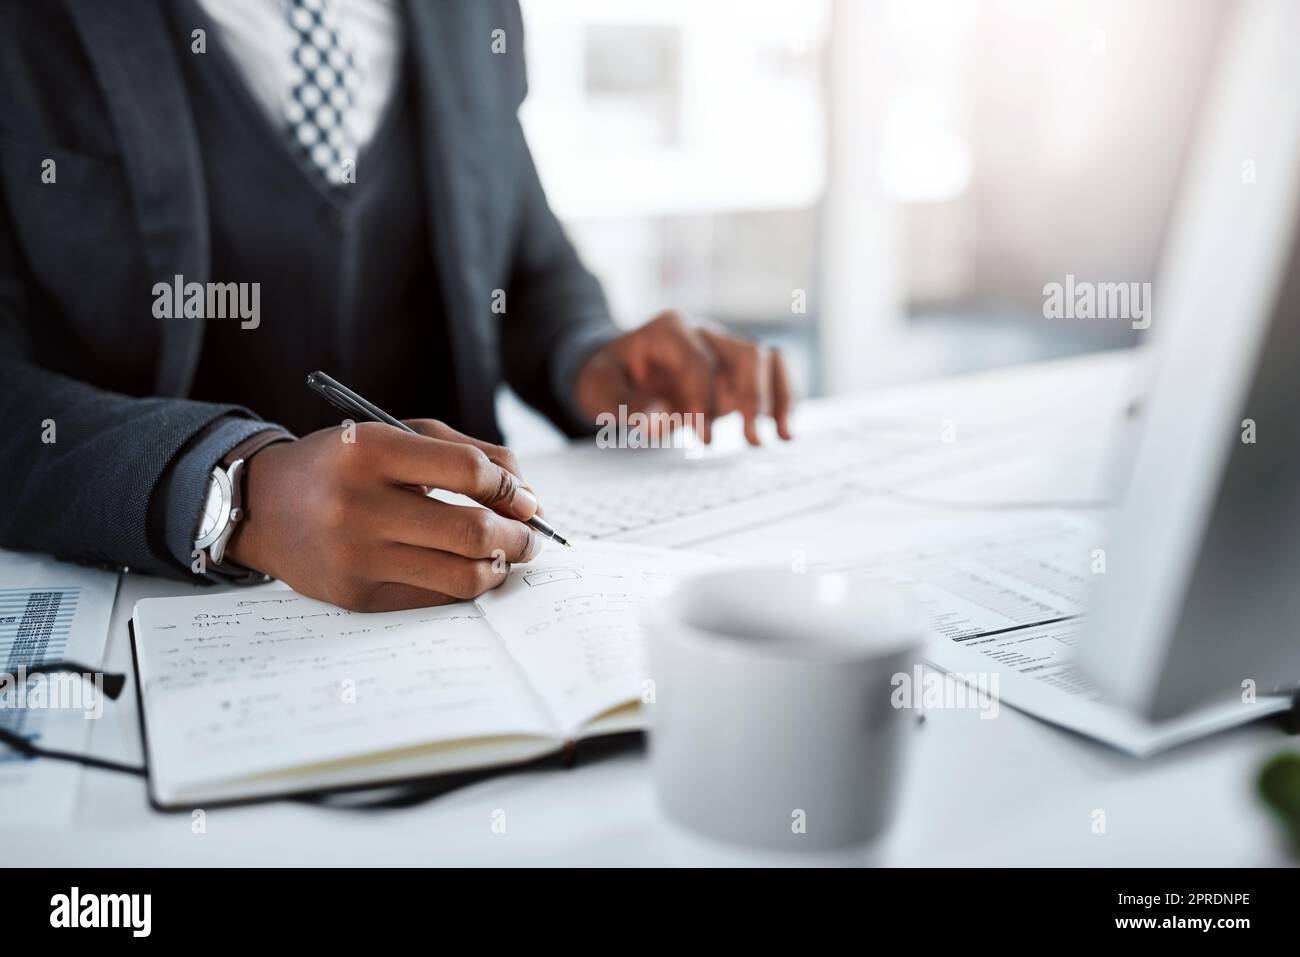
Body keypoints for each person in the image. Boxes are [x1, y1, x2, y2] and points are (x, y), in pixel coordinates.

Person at [0, 0, 792, 610]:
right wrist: (229, 492)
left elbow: (521, 259)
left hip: (464, 613)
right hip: (151, 618)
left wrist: (588, 357)